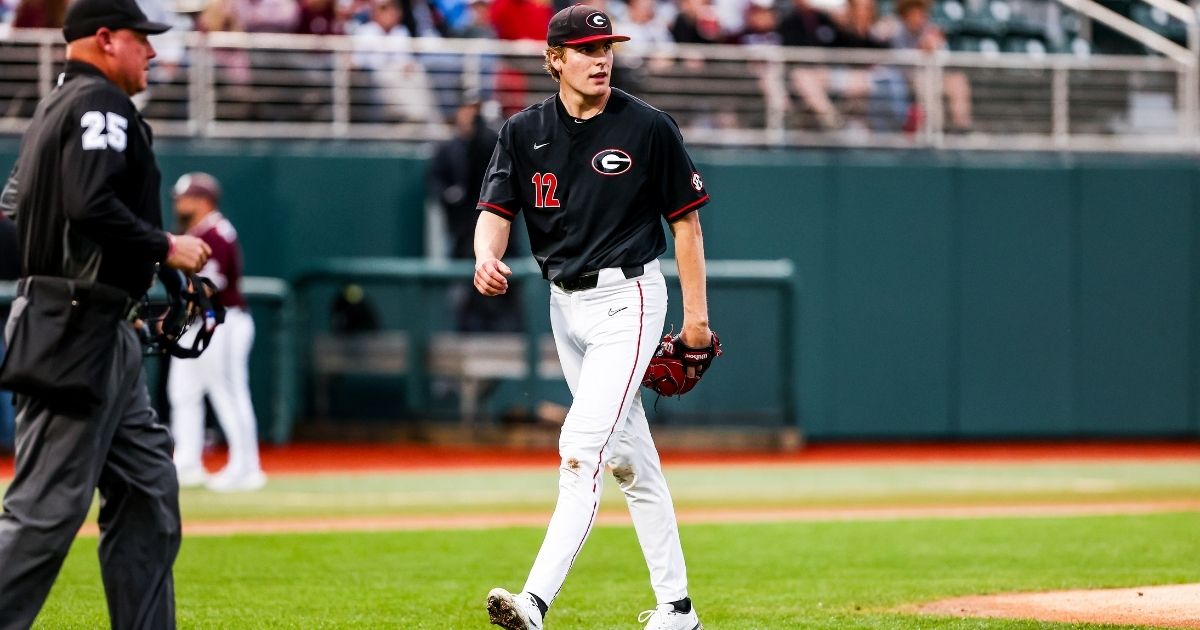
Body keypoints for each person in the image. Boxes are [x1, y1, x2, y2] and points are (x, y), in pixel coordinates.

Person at [474, 5, 711, 629]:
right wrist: (484, 257)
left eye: (606, 46)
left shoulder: (648, 126)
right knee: (633, 463)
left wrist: (696, 324)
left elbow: (685, 222)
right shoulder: (524, 131)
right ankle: (679, 610)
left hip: (628, 298)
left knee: (581, 449)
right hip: (564, 305)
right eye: (585, 48)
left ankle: (534, 601)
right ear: (555, 59)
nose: (601, 57)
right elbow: (496, 208)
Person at [0, 0, 211, 625]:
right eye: (141, 38)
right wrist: (164, 246)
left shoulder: (56, 107)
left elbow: (19, 212)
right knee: (45, 512)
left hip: (95, 320)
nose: (151, 51)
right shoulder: (98, 105)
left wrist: (135, 282)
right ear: (104, 38)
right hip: (75, 326)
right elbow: (90, 203)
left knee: (149, 491)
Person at [167, 172, 267, 492]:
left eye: (185, 197)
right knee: (183, 391)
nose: (179, 204)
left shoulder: (218, 234)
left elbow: (210, 290)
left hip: (222, 322)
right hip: (198, 323)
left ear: (203, 201)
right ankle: (187, 462)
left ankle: (246, 466)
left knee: (228, 391)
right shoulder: (195, 233)